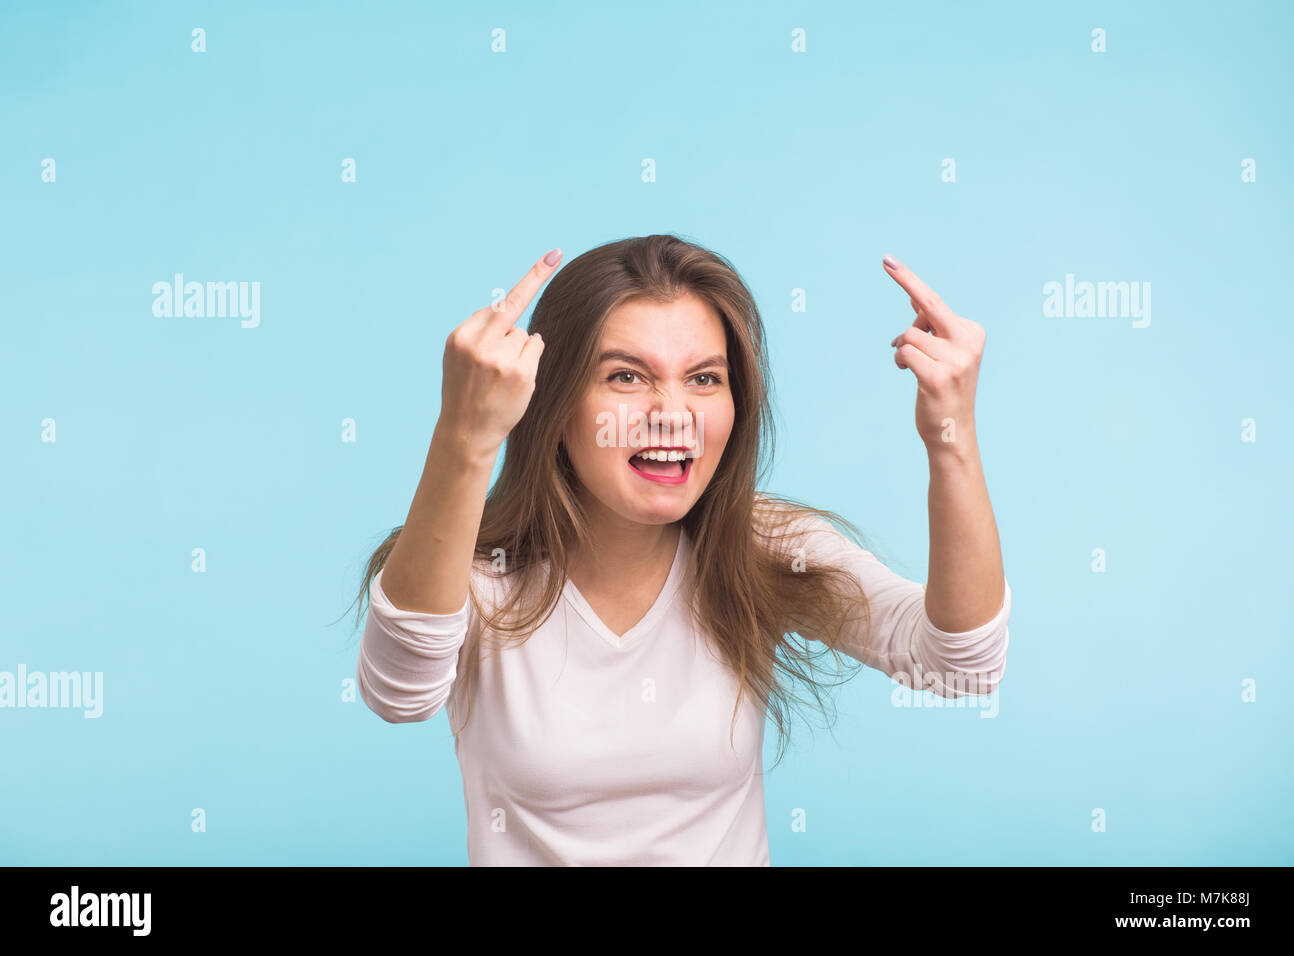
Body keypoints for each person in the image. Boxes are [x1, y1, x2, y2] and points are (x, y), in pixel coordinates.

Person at [351, 234, 1011, 865]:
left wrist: (951, 436)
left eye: (703, 379)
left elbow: (961, 668)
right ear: (552, 402)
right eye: (627, 377)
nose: (672, 415)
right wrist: (465, 433)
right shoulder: (473, 576)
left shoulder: (762, 547)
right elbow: (398, 692)